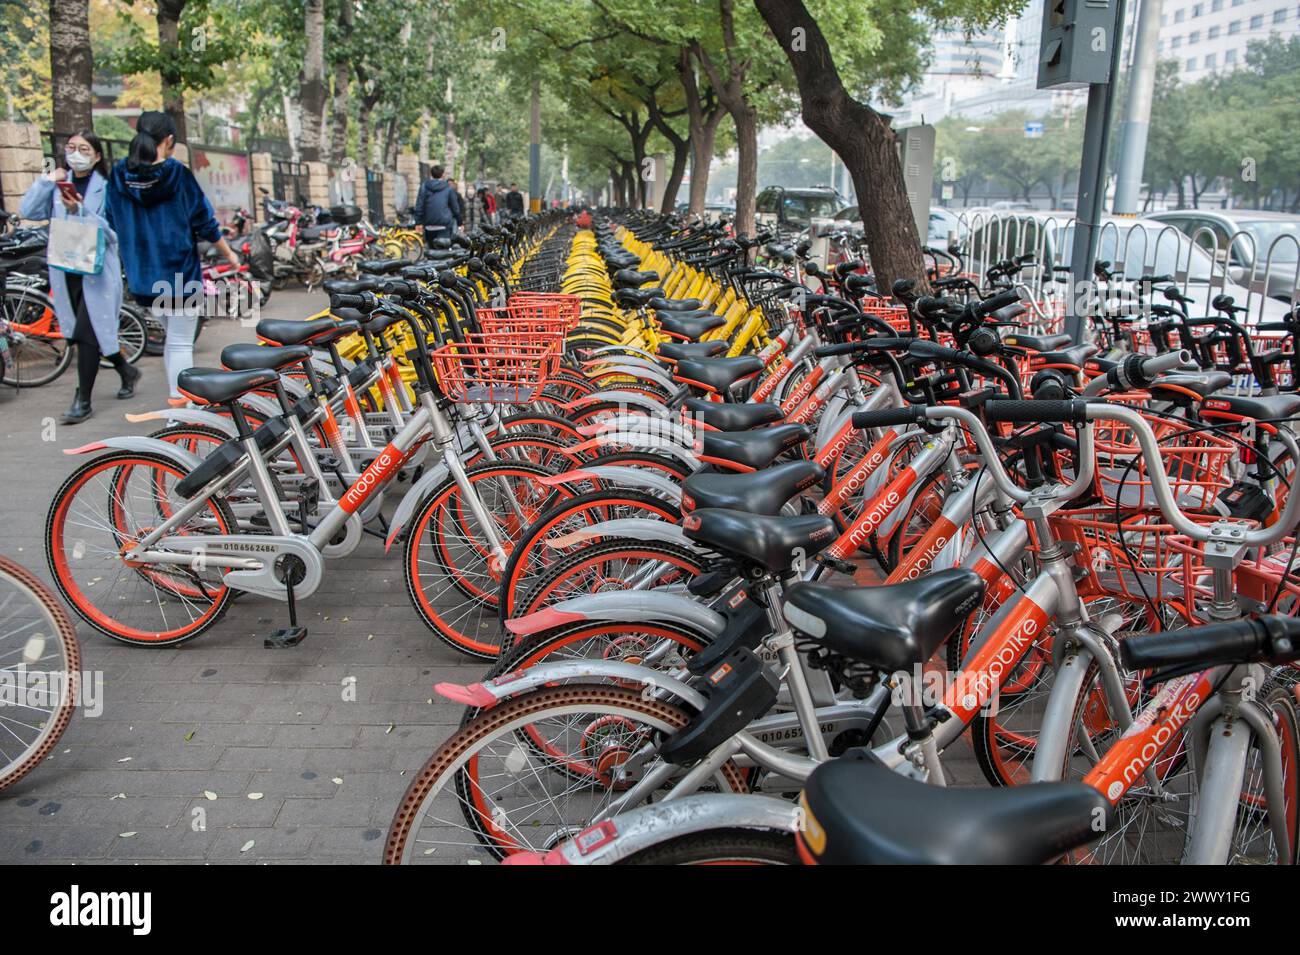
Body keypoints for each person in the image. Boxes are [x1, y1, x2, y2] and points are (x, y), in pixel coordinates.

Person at [104, 111, 241, 406]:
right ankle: (181, 410)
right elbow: (204, 222)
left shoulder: (118, 175)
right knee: (180, 343)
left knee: (172, 339)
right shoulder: (177, 175)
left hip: (142, 277)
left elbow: (111, 220)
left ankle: (178, 406)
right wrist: (229, 255)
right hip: (178, 274)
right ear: (168, 140)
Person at [20, 131, 134, 424]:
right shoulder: (58, 185)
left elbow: (114, 233)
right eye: (71, 147)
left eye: (84, 148)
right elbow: (28, 211)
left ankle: (82, 399)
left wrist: (80, 210)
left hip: (96, 272)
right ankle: (126, 369)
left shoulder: (107, 188)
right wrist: (47, 181)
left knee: (87, 334)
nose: (76, 153)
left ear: (97, 156)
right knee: (85, 334)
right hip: (66, 269)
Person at [415, 165, 462, 247]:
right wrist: (460, 223)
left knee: (430, 252)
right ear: (443, 175)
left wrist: (418, 222)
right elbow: (455, 208)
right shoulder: (448, 188)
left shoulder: (424, 187)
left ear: (431, 174)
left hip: (429, 225)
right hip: (444, 226)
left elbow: (419, 205)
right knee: (443, 253)